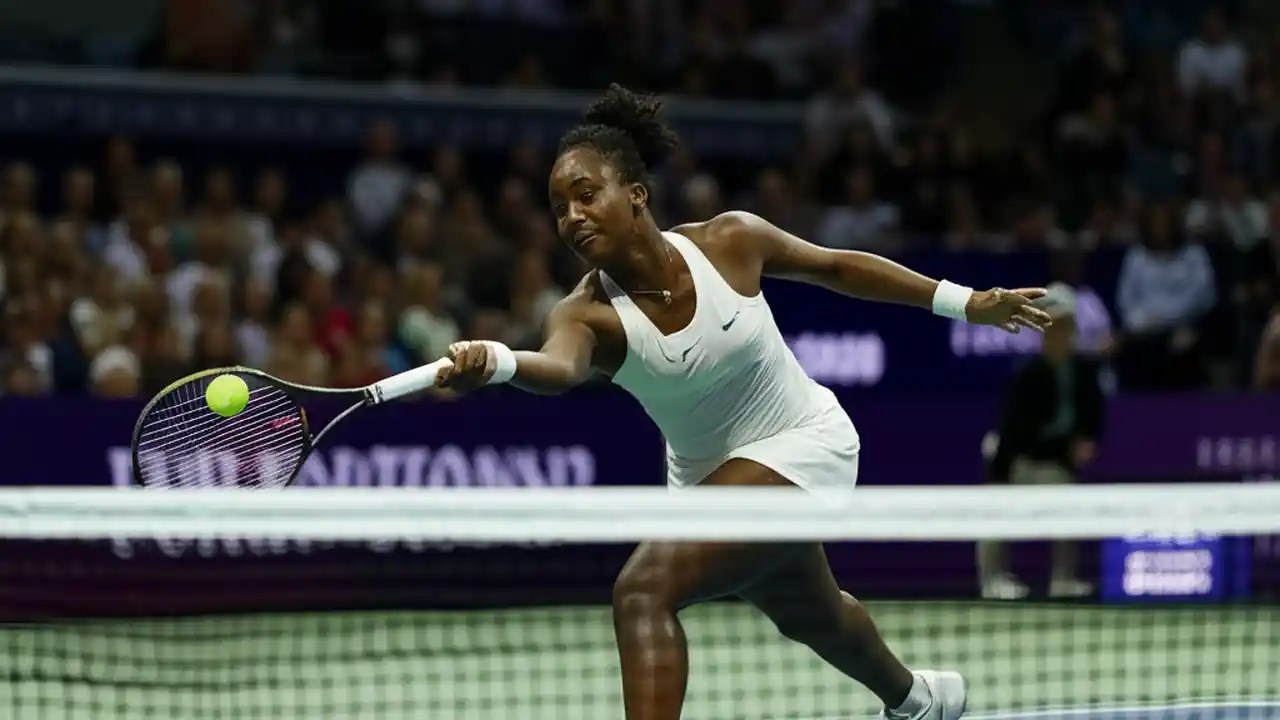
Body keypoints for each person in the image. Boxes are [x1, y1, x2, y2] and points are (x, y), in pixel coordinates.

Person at [434, 84, 1052, 720]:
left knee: (642, 592)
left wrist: (964, 301)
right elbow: (559, 370)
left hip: (803, 444)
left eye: (587, 195)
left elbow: (837, 266)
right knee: (819, 618)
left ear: (636, 194)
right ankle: (921, 699)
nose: (572, 217)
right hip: (707, 482)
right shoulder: (586, 314)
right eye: (560, 207)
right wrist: (500, 361)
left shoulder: (728, 242)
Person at [979, 283, 1106, 600]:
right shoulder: (1027, 375)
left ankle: (1064, 579)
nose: (1059, 333)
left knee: (1067, 499)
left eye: (1065, 325)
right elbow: (1012, 432)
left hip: (1056, 466)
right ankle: (993, 580)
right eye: (1052, 325)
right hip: (1022, 462)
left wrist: (1087, 440)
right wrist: (1000, 475)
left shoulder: (1085, 373)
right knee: (991, 508)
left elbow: (1094, 417)